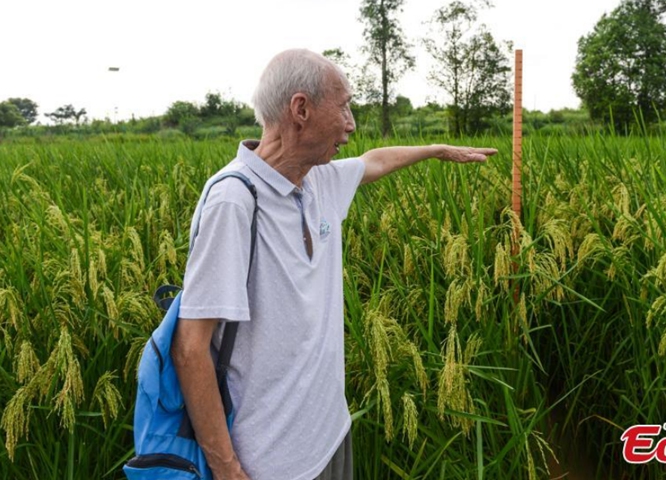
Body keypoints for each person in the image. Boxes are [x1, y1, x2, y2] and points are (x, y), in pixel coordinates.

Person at [171, 48, 497, 480]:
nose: (351, 124)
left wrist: (436, 149)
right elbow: (190, 347)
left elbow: (374, 160)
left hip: (330, 435)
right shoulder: (234, 201)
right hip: (271, 462)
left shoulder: (317, 180)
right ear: (301, 109)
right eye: (343, 106)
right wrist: (228, 469)